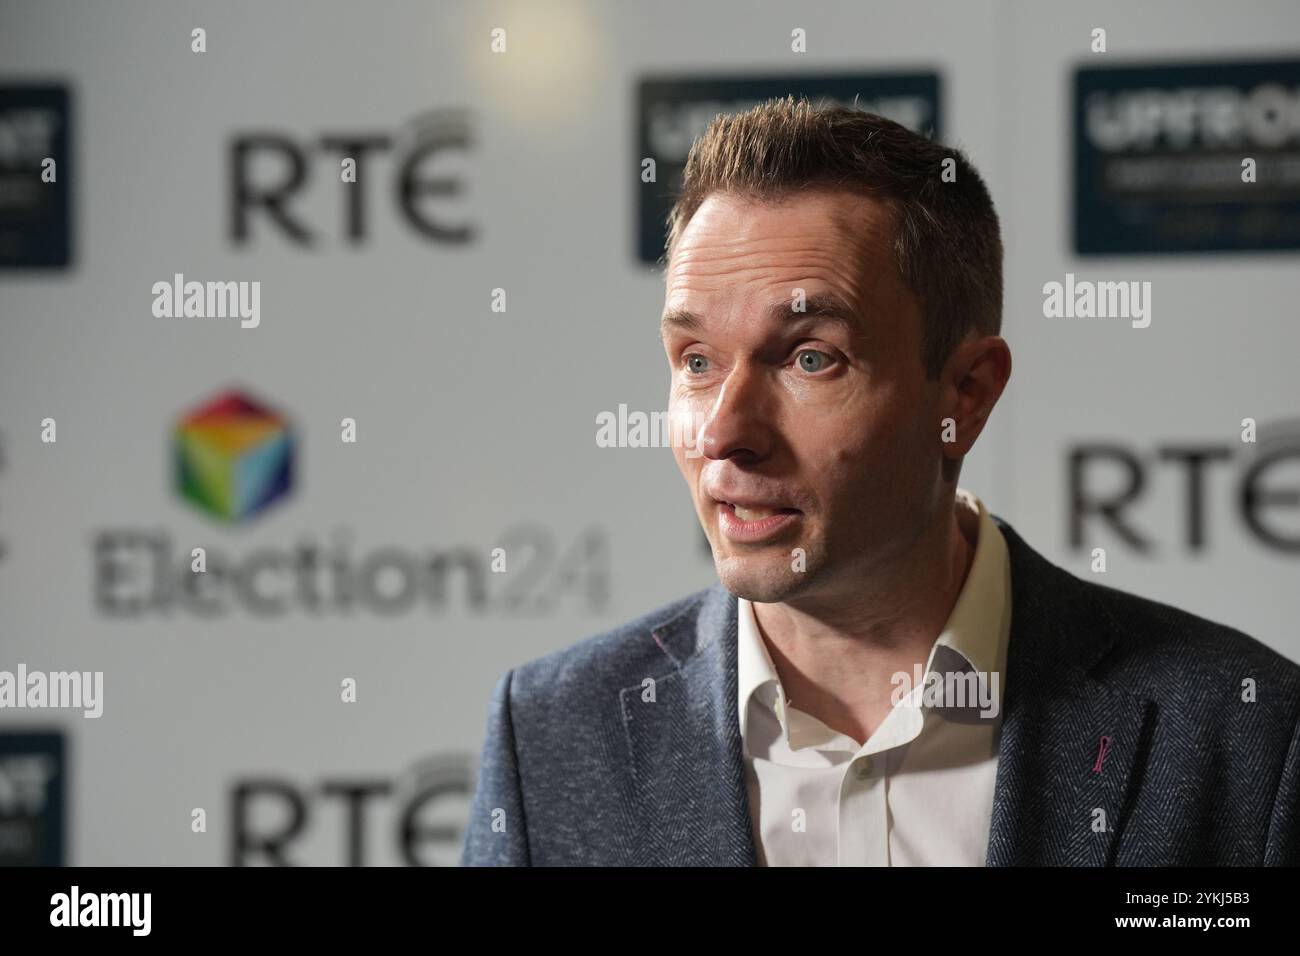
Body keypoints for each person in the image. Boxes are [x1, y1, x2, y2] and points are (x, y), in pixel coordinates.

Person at [460, 97, 1300, 866]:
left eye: (810, 358)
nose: (723, 432)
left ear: (964, 394)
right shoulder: (553, 737)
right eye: (697, 361)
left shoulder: (1242, 735)